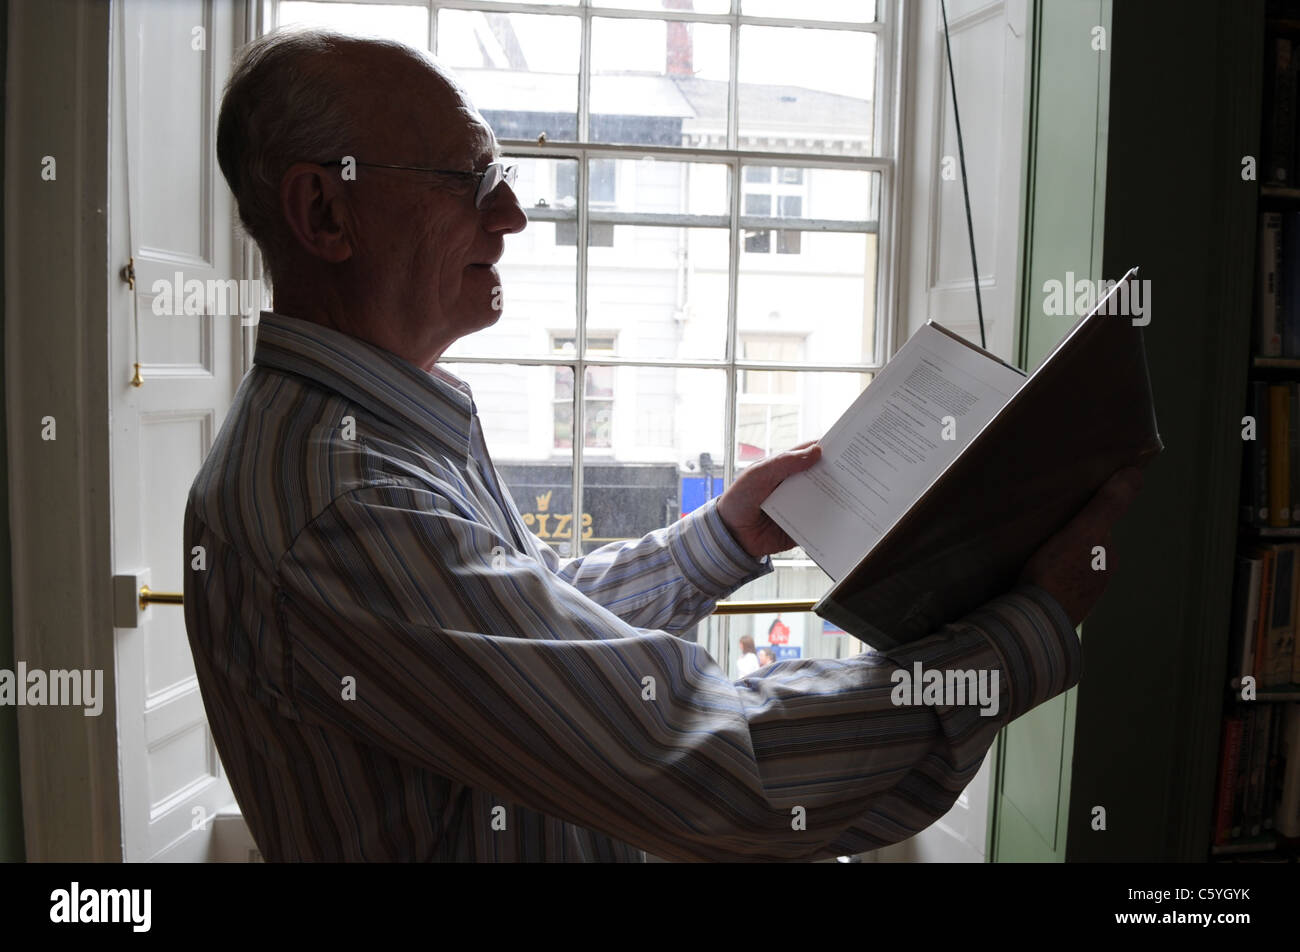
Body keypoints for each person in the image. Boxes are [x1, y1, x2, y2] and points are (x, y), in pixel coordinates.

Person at [184, 28, 1145, 862]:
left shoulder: (379, 444)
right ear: (324, 214)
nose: (513, 214)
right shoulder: (346, 502)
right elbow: (708, 763)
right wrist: (1021, 634)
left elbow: (532, 636)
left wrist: (721, 538)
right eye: (469, 179)